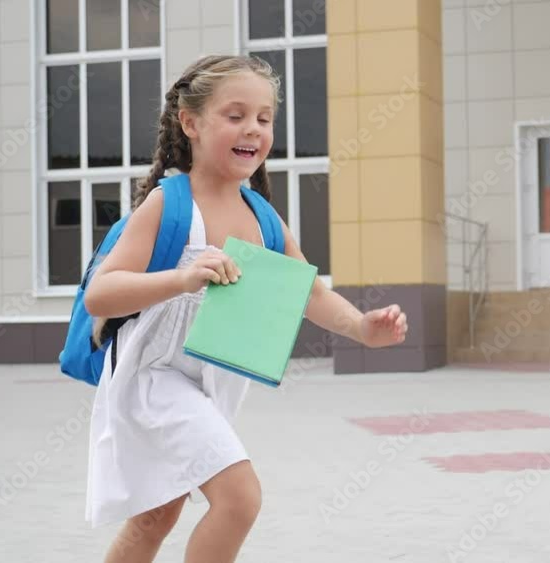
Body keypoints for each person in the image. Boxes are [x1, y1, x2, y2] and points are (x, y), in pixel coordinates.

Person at [82, 54, 408, 563]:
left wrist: (363, 328)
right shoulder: (170, 204)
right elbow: (100, 294)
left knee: (155, 518)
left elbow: (310, 291)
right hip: (153, 380)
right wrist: (181, 278)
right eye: (235, 116)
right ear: (190, 123)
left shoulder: (262, 215)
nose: (252, 129)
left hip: (209, 384)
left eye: (264, 118)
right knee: (239, 498)